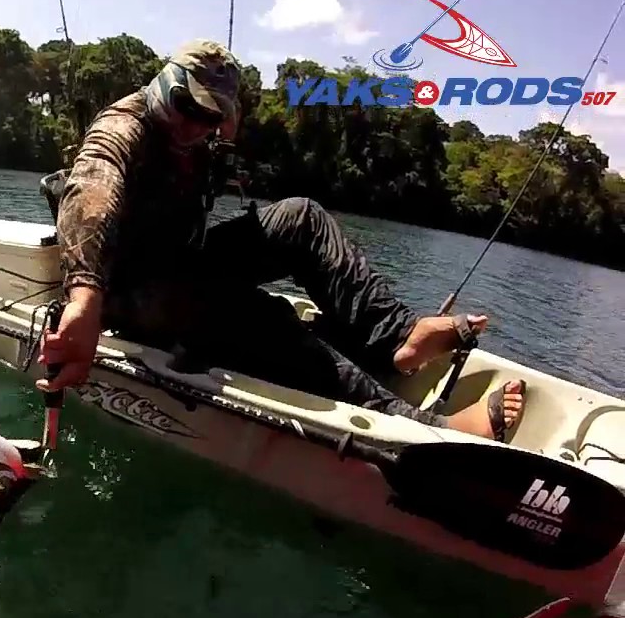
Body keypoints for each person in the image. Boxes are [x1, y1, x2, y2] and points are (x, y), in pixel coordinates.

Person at [35, 38, 527, 441]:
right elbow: (92, 192)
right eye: (186, 106)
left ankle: (397, 337)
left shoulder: (201, 135)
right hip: (127, 289)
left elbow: (211, 139)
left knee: (302, 218)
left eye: (208, 117)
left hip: (181, 261)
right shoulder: (124, 127)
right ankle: (417, 426)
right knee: (259, 313)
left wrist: (222, 126)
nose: (192, 125)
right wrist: (84, 302)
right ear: (163, 81)